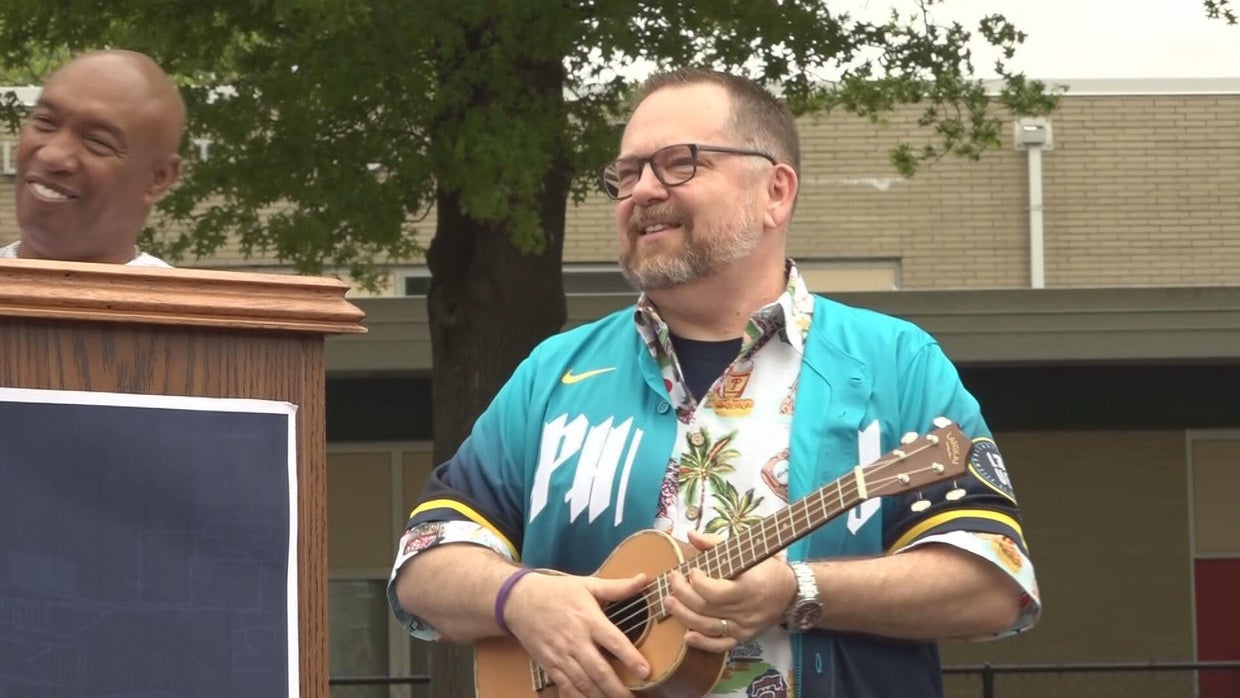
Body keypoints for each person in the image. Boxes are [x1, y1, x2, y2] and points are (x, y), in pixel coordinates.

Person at [388, 68, 1041, 698]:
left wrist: (799, 591)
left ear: (775, 192)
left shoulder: (895, 365)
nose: (642, 190)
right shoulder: (554, 375)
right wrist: (520, 600)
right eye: (626, 172)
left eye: (679, 163)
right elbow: (425, 564)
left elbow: (991, 584)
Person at [0, 49, 184, 267]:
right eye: (45, 122)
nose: (52, 155)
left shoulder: (182, 300)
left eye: (97, 141)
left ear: (158, 178)